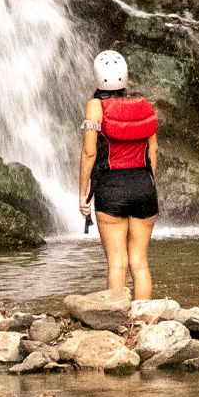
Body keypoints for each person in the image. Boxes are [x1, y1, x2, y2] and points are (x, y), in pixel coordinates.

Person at [77, 49, 159, 299]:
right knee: (140, 263)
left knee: (117, 263)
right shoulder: (144, 106)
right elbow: (153, 151)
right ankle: (145, 318)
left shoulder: (95, 106)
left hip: (112, 189)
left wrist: (83, 194)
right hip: (144, 187)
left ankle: (116, 316)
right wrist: (147, 183)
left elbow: (89, 153)